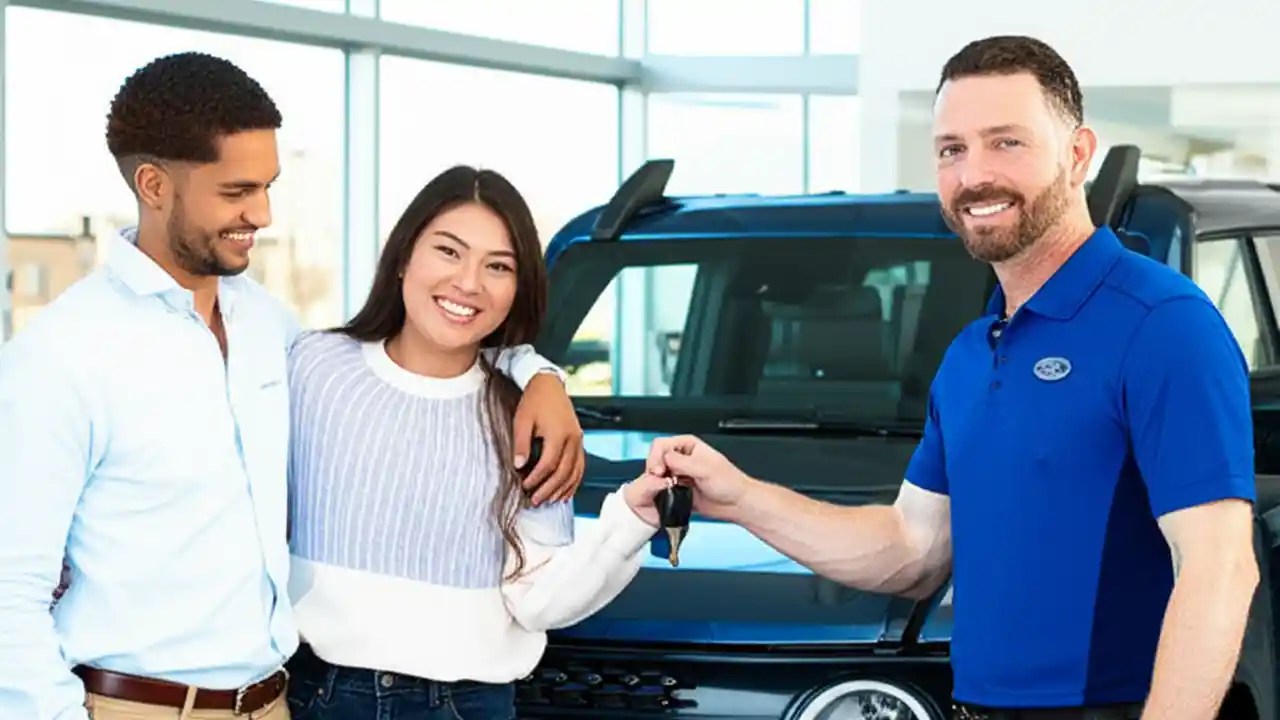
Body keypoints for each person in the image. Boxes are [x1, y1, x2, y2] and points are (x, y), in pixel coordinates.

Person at [642, 35, 1258, 720]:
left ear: (1078, 153)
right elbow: (912, 550)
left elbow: (1220, 569)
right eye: (951, 150)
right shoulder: (972, 352)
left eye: (1006, 143)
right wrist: (738, 498)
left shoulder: (1163, 323)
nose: (974, 176)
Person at [0, 52, 584, 720]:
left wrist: (538, 376)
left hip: (276, 703)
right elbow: (8, 593)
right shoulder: (60, 356)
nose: (263, 213)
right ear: (156, 187)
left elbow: (414, 352)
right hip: (134, 705)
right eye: (236, 192)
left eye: (268, 186)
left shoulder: (267, 326)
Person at [280, 164, 664, 720]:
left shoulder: (526, 416)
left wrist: (630, 517)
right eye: (449, 251)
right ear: (404, 255)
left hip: (462, 705)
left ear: (519, 286)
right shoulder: (312, 366)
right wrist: (540, 371)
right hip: (314, 694)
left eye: (498, 266)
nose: (468, 283)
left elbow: (541, 600)